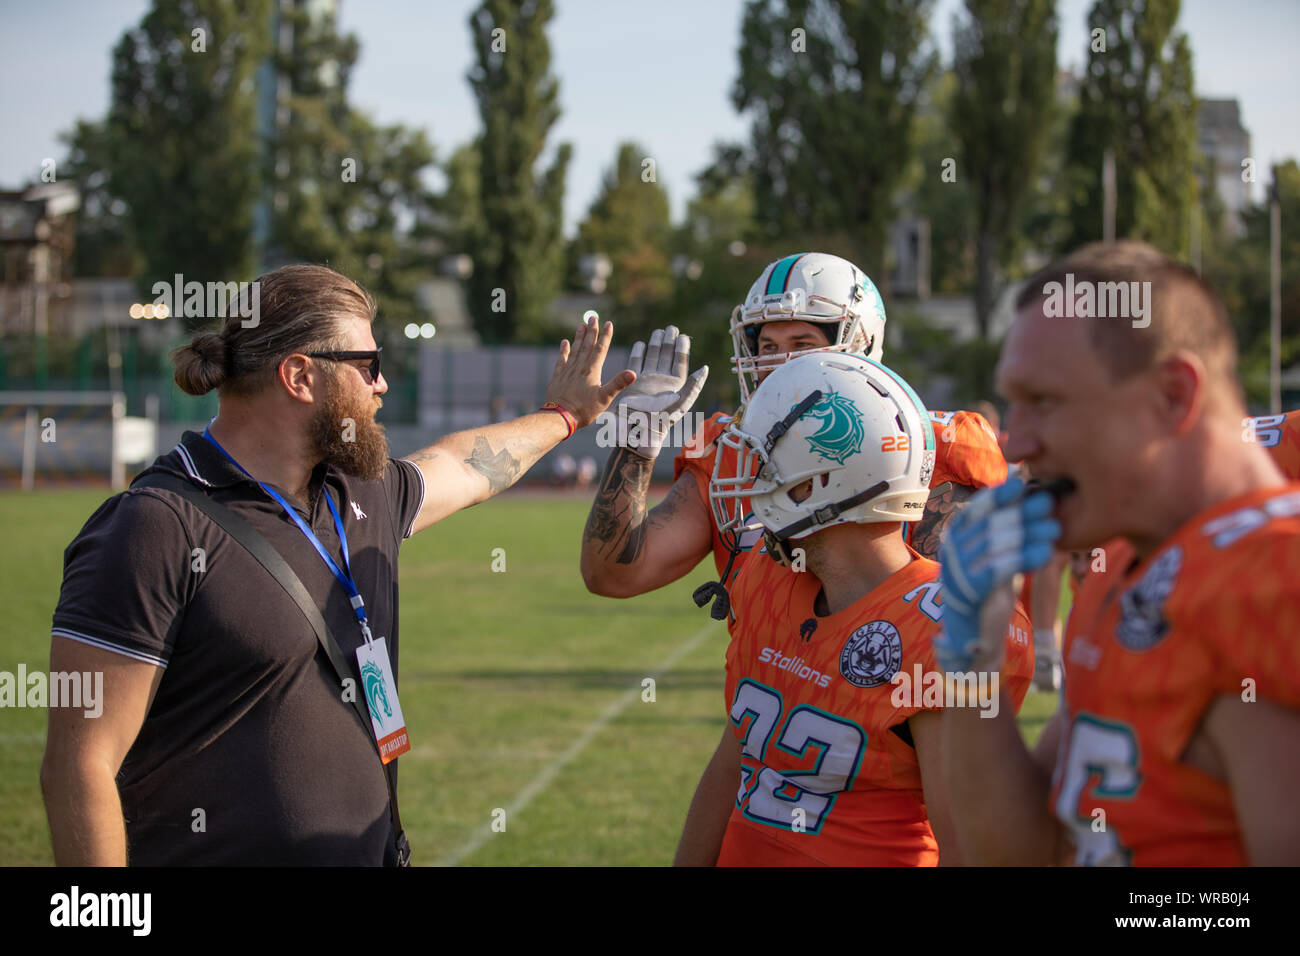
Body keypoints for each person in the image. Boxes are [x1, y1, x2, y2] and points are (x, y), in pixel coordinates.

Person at [40, 263, 633, 866]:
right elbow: (79, 764)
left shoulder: (358, 492)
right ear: (300, 375)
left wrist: (564, 416)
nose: (382, 385)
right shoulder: (153, 525)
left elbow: (464, 466)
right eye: (369, 365)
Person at [934, 240, 1300, 865]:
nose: (1014, 442)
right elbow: (1025, 854)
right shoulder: (1127, 566)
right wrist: (973, 664)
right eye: (1012, 402)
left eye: (1044, 401)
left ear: (1173, 397)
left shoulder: (1275, 586)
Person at [674, 353, 1033, 866]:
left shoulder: (940, 627)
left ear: (816, 484)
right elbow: (731, 765)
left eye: (764, 467)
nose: (747, 485)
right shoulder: (767, 578)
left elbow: (967, 848)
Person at [580, 253, 1006, 612]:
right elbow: (613, 575)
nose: (778, 364)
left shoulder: (930, 447)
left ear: (860, 348)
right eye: (767, 347)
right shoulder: (727, 451)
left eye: (802, 345)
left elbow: (963, 631)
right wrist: (636, 444)